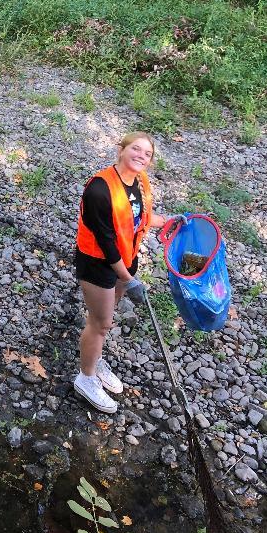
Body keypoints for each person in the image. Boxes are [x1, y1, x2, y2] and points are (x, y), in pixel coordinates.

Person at [73, 131, 170, 414]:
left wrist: (169, 221)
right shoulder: (99, 189)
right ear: (121, 149)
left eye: (147, 153)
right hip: (98, 263)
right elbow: (106, 242)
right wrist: (129, 279)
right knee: (100, 323)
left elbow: (139, 218)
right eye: (136, 149)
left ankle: (95, 360)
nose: (141, 156)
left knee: (104, 317)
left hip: (125, 261)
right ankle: (85, 378)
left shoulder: (139, 181)